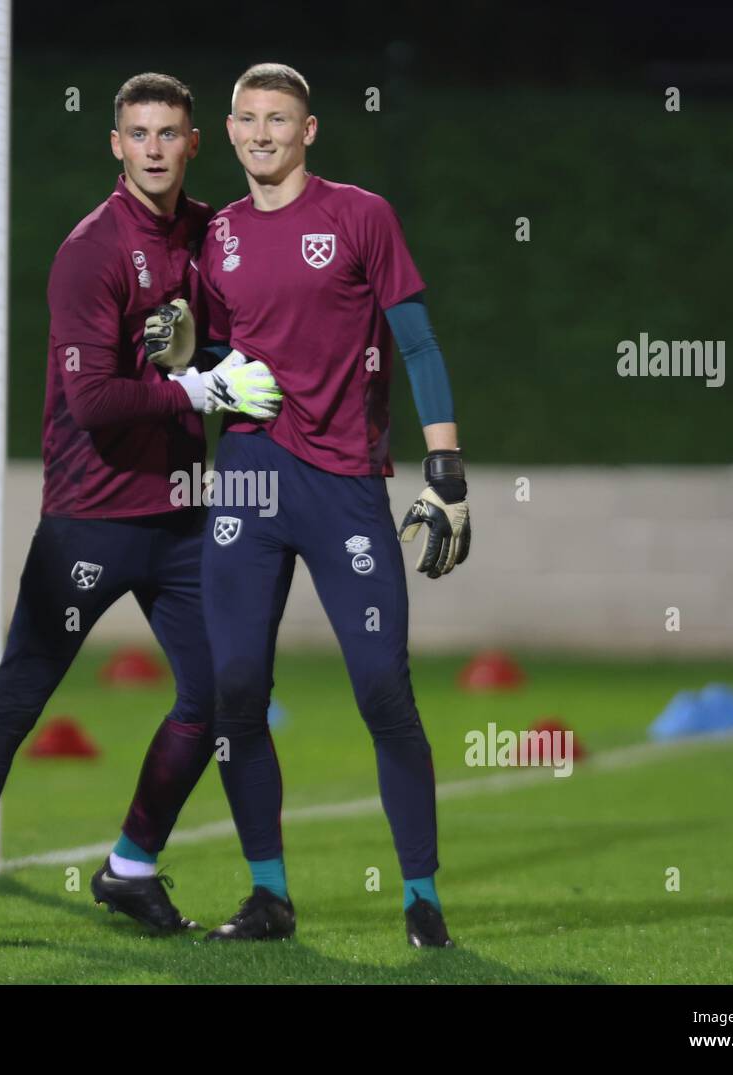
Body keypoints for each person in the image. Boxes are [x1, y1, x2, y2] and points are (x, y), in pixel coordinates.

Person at [0, 72, 282, 937]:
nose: (155, 148)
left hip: (185, 523)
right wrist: (201, 391)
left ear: (194, 143)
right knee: (16, 701)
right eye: (138, 134)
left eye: (170, 134)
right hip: (90, 520)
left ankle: (131, 865)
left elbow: (240, 337)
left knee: (224, 696)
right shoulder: (91, 250)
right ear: (116, 144)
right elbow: (98, 404)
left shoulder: (210, 234)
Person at [176, 62, 472, 947]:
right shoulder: (216, 234)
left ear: (310, 131)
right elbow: (213, 357)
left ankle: (420, 894)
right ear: (228, 131)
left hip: (344, 483)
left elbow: (417, 343)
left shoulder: (360, 216)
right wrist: (194, 367)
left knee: (384, 690)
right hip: (249, 480)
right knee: (234, 692)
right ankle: (268, 894)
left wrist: (447, 468)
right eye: (248, 119)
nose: (262, 133)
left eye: (280, 119)